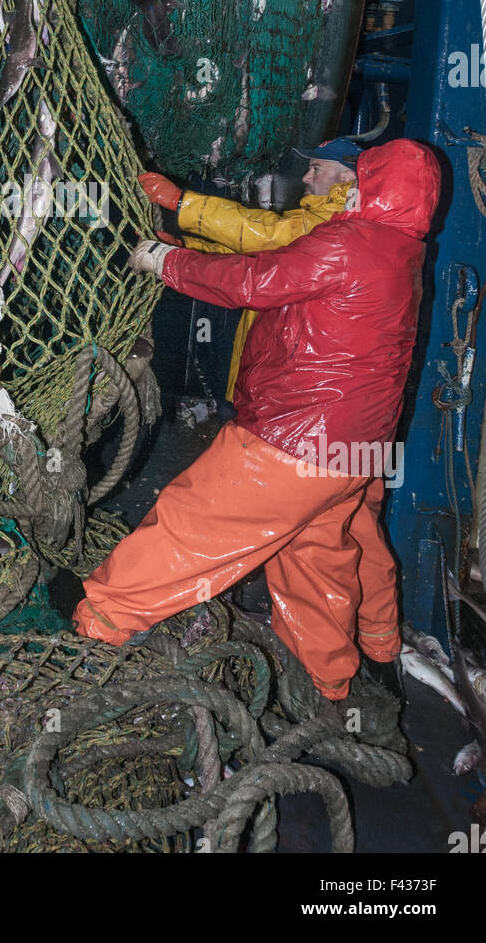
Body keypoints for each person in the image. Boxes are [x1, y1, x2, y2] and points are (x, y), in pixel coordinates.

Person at [72, 139, 441, 706]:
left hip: (296, 439)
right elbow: (277, 265)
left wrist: (164, 261)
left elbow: (252, 283)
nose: (344, 185)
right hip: (356, 453)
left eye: (358, 177)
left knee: (191, 523)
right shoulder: (403, 252)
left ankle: (99, 621)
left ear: (374, 184)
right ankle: (330, 688)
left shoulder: (350, 242)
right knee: (319, 565)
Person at [139, 137, 362, 401]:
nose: (305, 177)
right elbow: (254, 258)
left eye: (316, 169)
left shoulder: (331, 224)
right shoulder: (317, 221)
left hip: (284, 384)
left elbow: (266, 235)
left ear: (347, 177)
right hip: (268, 367)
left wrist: (181, 202)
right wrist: (185, 247)